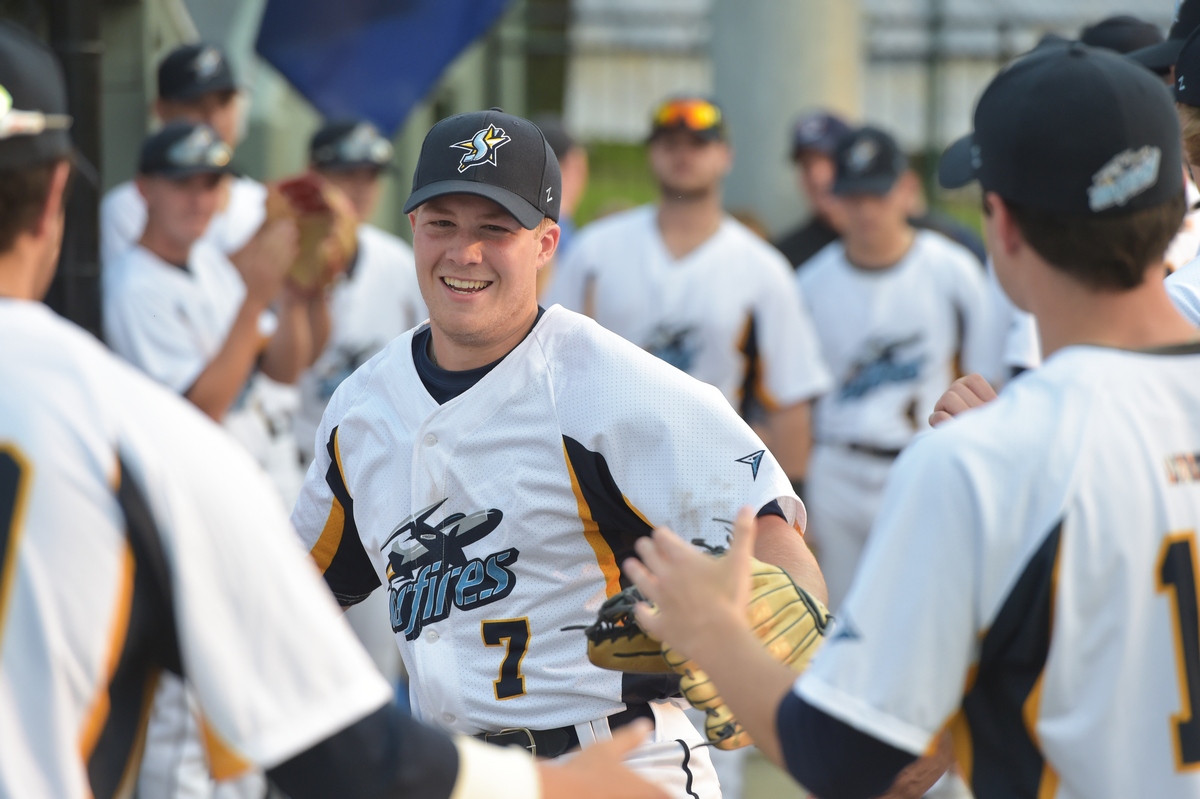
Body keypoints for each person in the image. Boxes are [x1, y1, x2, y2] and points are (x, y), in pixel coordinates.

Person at [0, 21, 664, 799]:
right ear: (54, 198)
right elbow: (341, 752)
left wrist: (296, 293)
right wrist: (557, 788)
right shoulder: (138, 433)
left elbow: (285, 363)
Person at [629, 41, 1200, 799]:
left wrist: (712, 630)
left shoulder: (985, 460)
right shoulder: (1021, 445)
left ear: (1003, 225)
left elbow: (852, 762)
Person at [289, 108, 827, 799]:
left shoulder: (606, 380)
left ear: (546, 243)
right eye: (444, 223)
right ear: (413, 226)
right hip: (462, 777)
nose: (465, 252)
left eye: (495, 229)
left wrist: (782, 606)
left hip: (616, 760)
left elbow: (769, 525)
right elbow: (301, 584)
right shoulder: (361, 408)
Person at [545, 96, 832, 493]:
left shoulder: (762, 268)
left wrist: (795, 501)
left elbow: (790, 399)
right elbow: (548, 363)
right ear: (651, 154)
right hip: (605, 469)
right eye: (669, 143)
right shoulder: (596, 250)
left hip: (717, 473)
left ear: (725, 156)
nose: (683, 154)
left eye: (699, 143)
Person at [796, 125, 988, 612]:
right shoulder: (811, 281)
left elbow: (984, 372)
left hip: (920, 458)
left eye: (876, 195)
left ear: (905, 191)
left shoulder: (951, 268)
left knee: (918, 610)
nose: (865, 210)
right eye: (853, 197)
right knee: (834, 617)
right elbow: (800, 397)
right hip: (837, 464)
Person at [299, 118, 428, 464]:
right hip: (296, 456)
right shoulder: (280, 256)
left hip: (381, 457)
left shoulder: (400, 261)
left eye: (371, 176)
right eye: (347, 174)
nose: (361, 189)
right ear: (313, 175)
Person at [100, 43, 266, 274]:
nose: (214, 120)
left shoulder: (262, 202)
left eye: (224, 103)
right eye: (197, 105)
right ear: (162, 110)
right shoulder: (127, 207)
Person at [772, 110, 851, 270]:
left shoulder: (908, 238)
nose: (817, 177)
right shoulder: (784, 257)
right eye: (806, 165)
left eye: (828, 160)